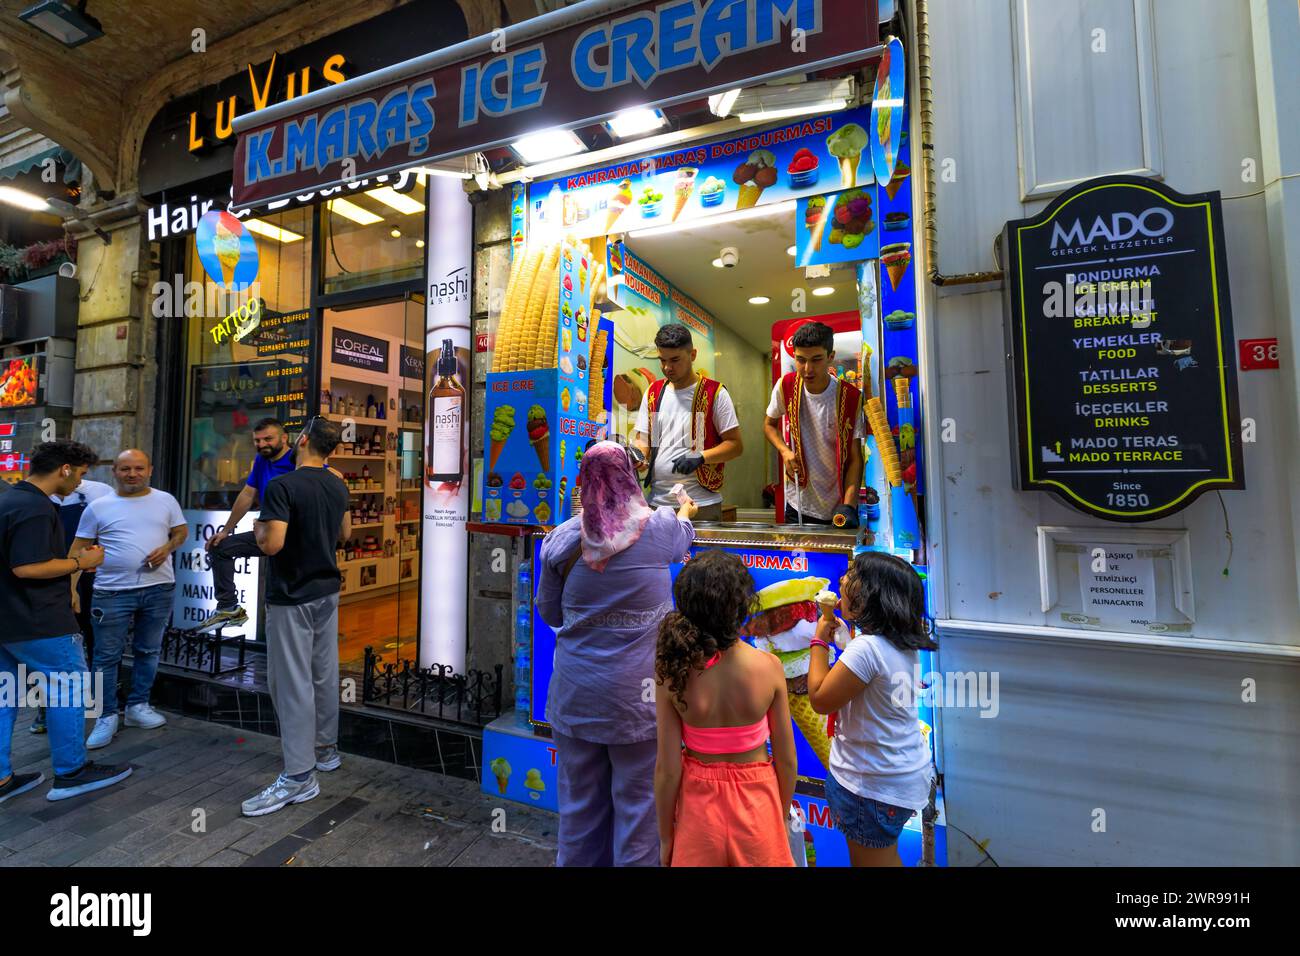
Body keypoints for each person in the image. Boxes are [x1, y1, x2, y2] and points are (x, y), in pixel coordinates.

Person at [536, 440, 697, 866]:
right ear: (630, 476)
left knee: (578, 816)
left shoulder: (560, 542)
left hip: (576, 698)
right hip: (638, 703)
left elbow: (549, 612)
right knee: (640, 818)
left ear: (583, 481)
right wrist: (686, 509)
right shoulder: (659, 528)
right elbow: (685, 537)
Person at [0, 440, 133, 804]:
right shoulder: (36, 508)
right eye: (81, 474)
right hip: (40, 619)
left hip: (7, 620)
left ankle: (1, 778)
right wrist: (82, 563)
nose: (80, 483)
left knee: (5, 697)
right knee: (68, 692)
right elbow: (27, 567)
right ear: (64, 469)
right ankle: (71, 773)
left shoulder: (8, 499)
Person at [654, 549, 797, 866]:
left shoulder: (672, 672)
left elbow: (666, 770)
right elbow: (787, 761)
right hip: (758, 806)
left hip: (698, 812)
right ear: (742, 606)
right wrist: (781, 815)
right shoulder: (769, 667)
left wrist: (666, 837)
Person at [241, 417, 350, 817]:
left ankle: (299, 777)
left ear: (302, 440)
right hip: (326, 591)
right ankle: (325, 751)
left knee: (290, 683)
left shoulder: (282, 486)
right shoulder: (338, 483)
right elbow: (345, 536)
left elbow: (272, 545)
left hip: (291, 594)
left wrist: (257, 529)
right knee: (323, 672)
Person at [807, 551, 938, 866]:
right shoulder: (897, 643)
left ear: (872, 597)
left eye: (852, 576)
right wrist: (842, 638)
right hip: (896, 778)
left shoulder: (867, 649)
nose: (841, 580)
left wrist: (819, 643)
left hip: (872, 788)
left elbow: (820, 699)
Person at [72, 449, 187, 750]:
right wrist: (71, 588)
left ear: (150, 470)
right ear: (115, 471)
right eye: (125, 469)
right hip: (111, 592)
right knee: (105, 657)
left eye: (138, 468)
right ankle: (105, 715)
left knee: (148, 650)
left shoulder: (166, 500)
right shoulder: (98, 507)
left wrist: (167, 548)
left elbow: (181, 532)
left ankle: (138, 706)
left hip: (159, 588)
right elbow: (78, 549)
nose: (132, 474)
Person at [27, 474, 114, 736]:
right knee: (50, 644)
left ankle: (94, 704)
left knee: (94, 639)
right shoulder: (37, 496)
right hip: (49, 576)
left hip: (89, 578)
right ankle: (44, 706)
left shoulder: (100, 491)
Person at [633, 323, 742, 522]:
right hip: (657, 504)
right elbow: (644, 440)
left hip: (701, 506)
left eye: (675, 360)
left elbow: (735, 445)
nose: (667, 367)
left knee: (700, 555)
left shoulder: (715, 393)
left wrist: (701, 456)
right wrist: (638, 457)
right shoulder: (653, 392)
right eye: (662, 360)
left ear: (692, 355)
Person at [763, 321, 865, 526]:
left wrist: (849, 505)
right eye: (800, 360)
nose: (807, 369)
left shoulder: (850, 397)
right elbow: (769, 425)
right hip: (798, 502)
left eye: (816, 359)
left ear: (831, 357)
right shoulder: (786, 385)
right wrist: (784, 451)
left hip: (838, 504)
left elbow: (855, 458)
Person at [198, 417, 296, 631]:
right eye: (257, 440)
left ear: (284, 438)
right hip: (269, 533)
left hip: (295, 536)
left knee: (285, 598)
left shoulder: (297, 460)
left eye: (268, 439)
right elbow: (247, 494)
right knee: (220, 547)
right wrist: (225, 530)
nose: (262, 445)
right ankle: (228, 608)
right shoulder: (261, 460)